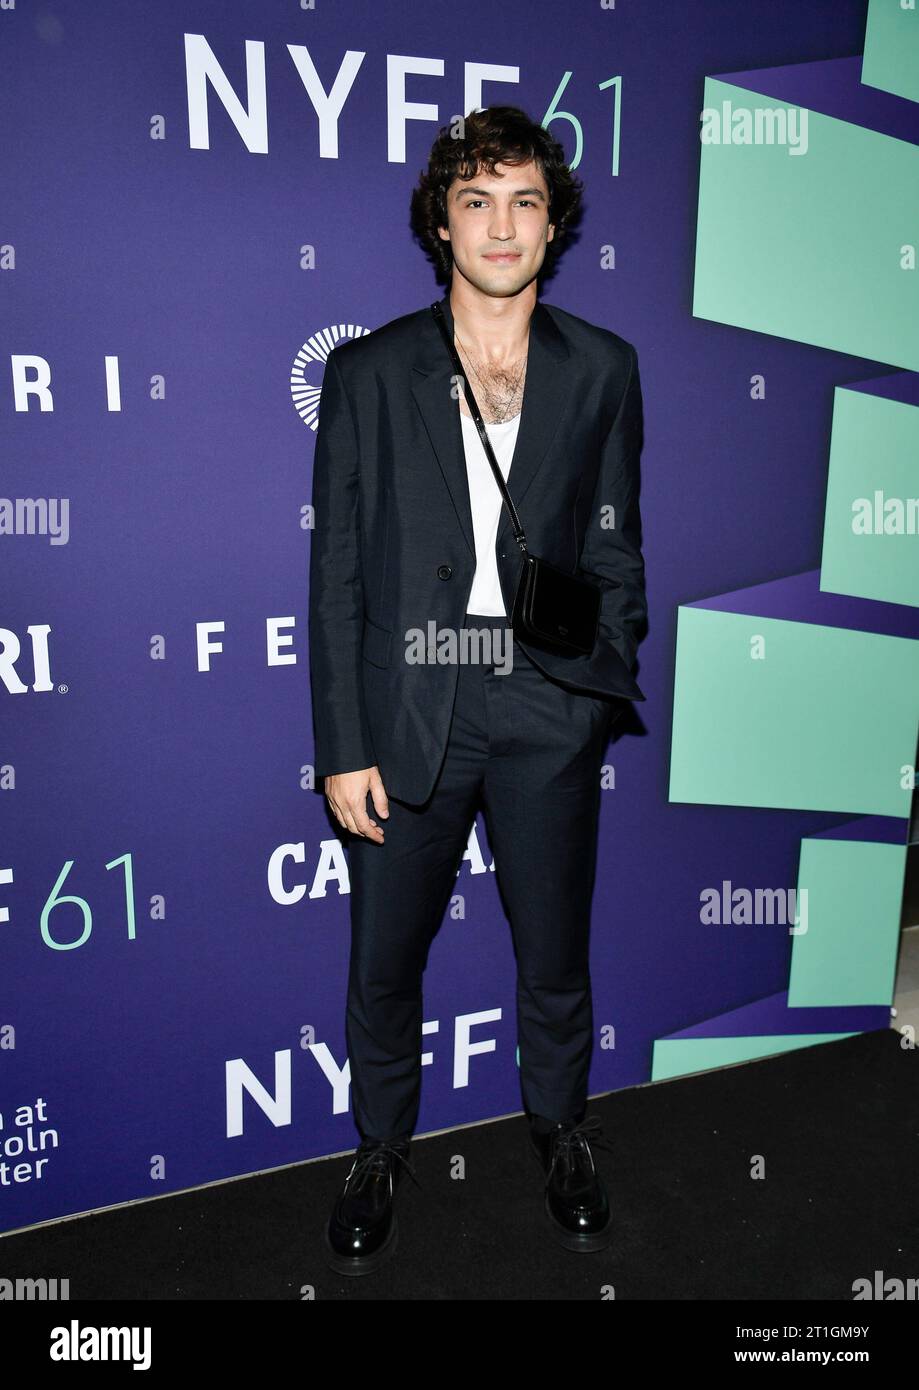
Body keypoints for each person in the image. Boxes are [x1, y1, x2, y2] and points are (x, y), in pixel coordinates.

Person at [308, 105, 648, 1276]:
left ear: (553, 226)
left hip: (546, 709)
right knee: (383, 959)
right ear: (440, 221)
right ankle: (379, 1147)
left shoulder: (603, 368)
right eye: (475, 200)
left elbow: (615, 544)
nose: (500, 225)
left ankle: (561, 1129)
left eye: (524, 201)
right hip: (412, 714)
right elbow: (338, 571)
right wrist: (343, 743)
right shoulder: (367, 371)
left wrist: (598, 680)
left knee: (554, 952)